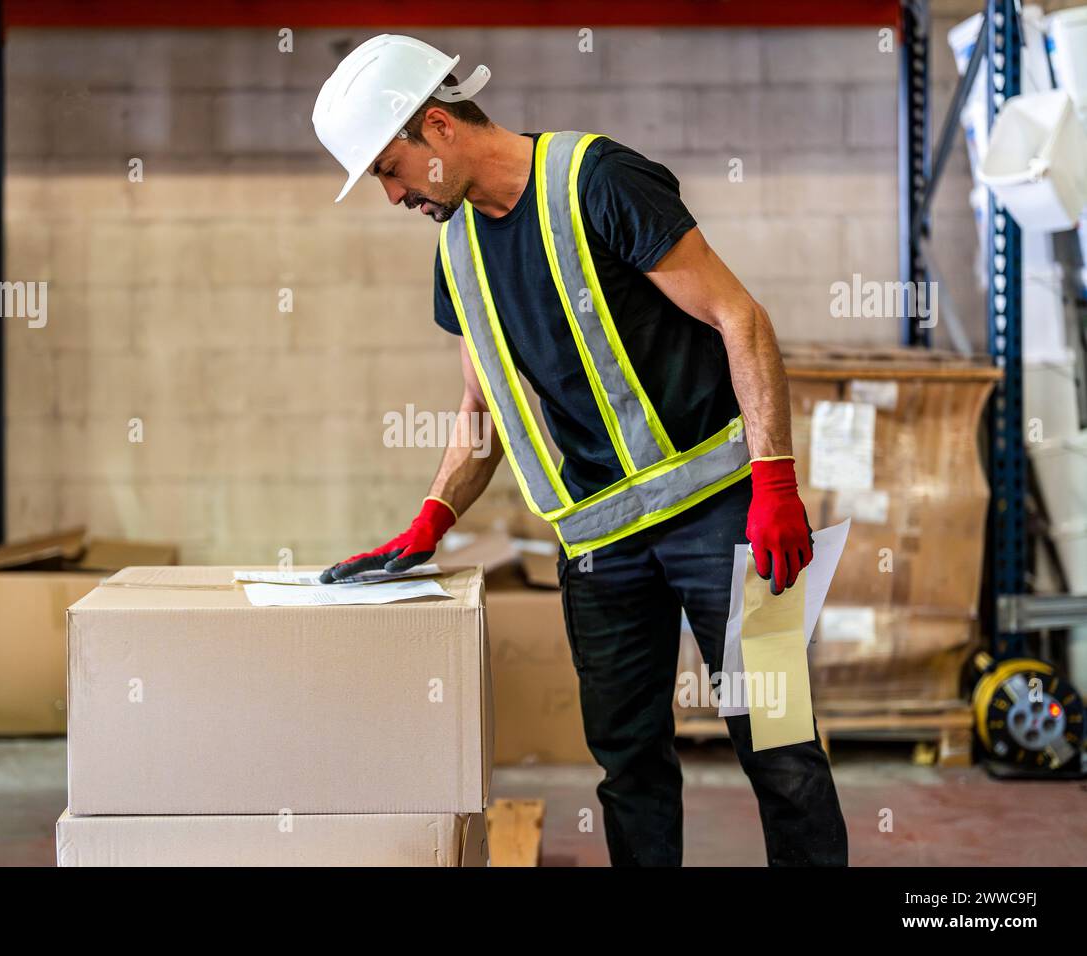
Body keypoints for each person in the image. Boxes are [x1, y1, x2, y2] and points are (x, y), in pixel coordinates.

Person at [311, 34, 847, 866]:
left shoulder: (598, 178)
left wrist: (775, 484)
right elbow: (481, 406)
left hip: (727, 518)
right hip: (600, 546)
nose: (392, 196)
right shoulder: (457, 253)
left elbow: (739, 318)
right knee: (628, 766)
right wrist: (431, 519)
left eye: (389, 167)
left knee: (781, 747)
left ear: (439, 128)